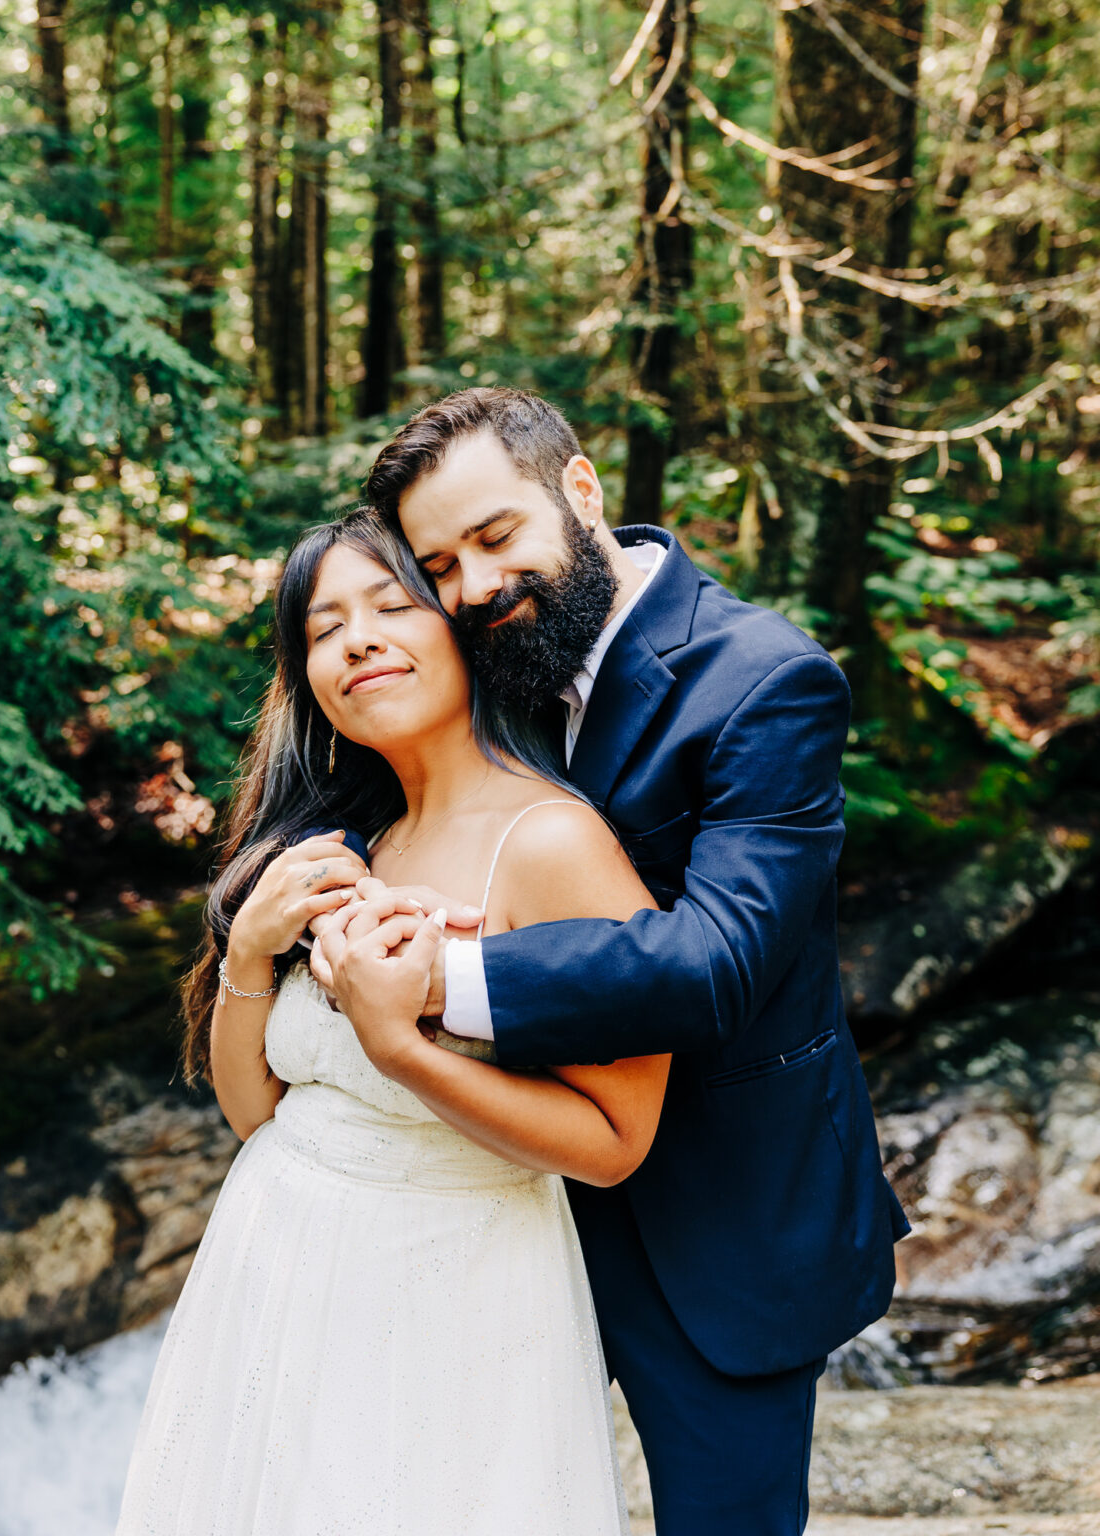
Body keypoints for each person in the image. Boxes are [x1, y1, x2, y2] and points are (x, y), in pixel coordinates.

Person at [315, 388, 910, 1536]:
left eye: (497, 537)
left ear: (579, 491)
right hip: (505, 1196)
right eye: (440, 563)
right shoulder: (489, 658)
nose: (476, 584)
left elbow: (717, 963)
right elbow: (383, 792)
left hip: (728, 1218)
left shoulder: (765, 680)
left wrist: (436, 982)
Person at [115, 508, 669, 1536]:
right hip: (270, 1264)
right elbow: (259, 1116)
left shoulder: (552, 844)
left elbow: (614, 1144)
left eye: (389, 605)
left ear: (462, 629)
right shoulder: (348, 835)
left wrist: (399, 1047)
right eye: (324, 629)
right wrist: (247, 949)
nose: (355, 640)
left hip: (447, 1297)